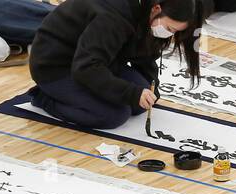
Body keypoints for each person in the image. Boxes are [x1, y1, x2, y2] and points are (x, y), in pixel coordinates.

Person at [29, 0, 202, 130]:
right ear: (157, 8)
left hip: (101, 60)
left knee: (143, 99)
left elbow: (144, 55)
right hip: (56, 67)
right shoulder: (113, 17)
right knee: (113, 116)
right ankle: (44, 98)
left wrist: (151, 83)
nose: (169, 35)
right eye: (170, 29)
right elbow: (86, 67)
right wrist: (131, 93)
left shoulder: (146, 10)